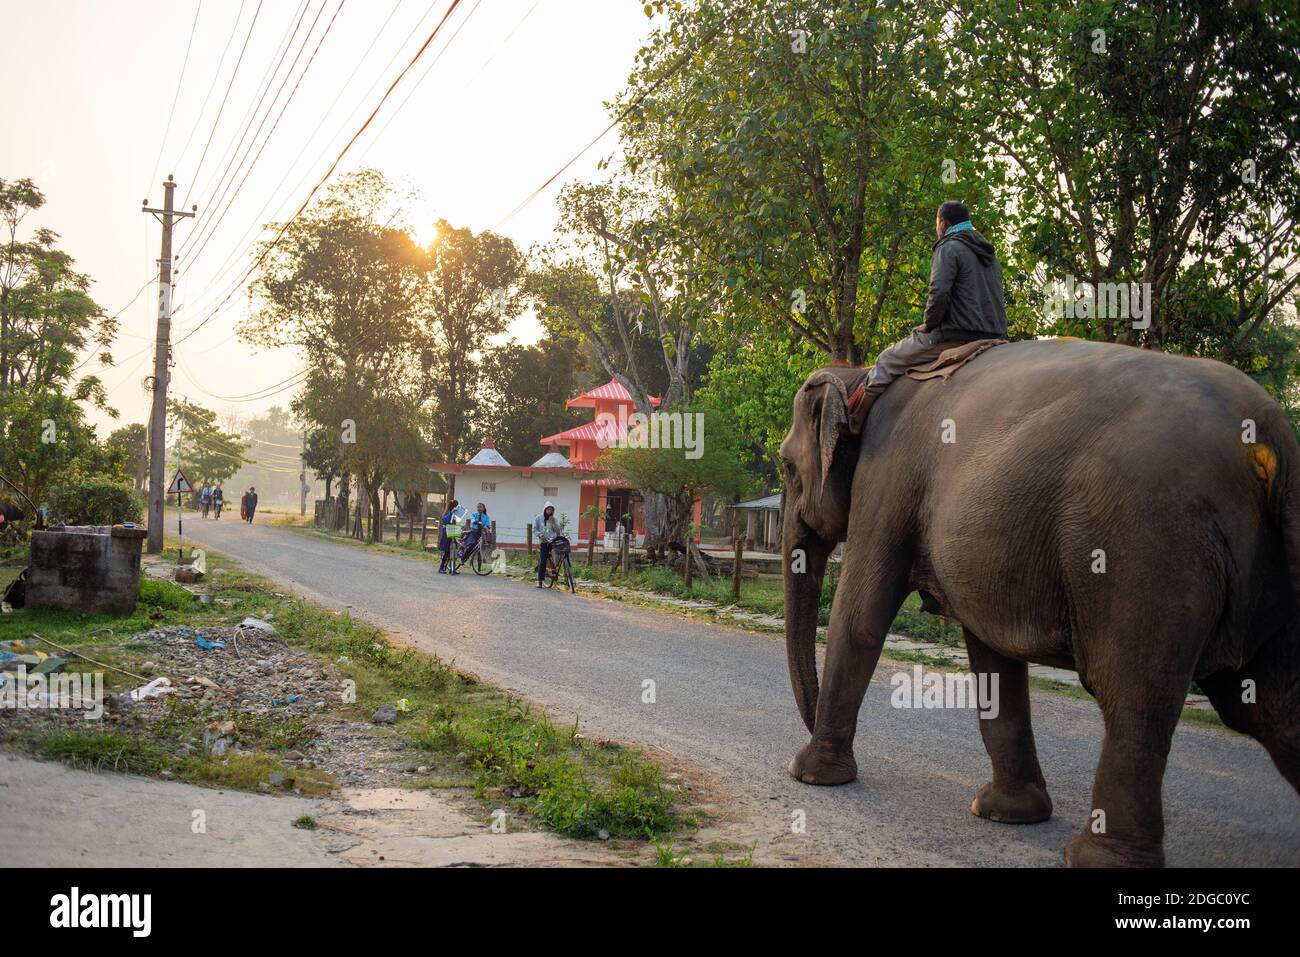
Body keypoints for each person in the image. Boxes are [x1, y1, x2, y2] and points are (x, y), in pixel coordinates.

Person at [848, 201, 1008, 432]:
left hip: (956, 335)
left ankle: (856, 419)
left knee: (887, 360)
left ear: (943, 222)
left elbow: (939, 291)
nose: (937, 227)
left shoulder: (948, 248)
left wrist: (930, 324)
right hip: (995, 335)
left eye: (937, 222)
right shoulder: (989, 255)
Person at [533, 502, 565, 588]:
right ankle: (540, 581)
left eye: (551, 509)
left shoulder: (554, 519)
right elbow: (535, 529)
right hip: (544, 541)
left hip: (553, 541)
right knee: (543, 560)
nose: (549, 511)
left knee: (557, 552)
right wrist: (540, 535)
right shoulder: (538, 518)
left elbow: (558, 530)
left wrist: (553, 522)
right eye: (548, 509)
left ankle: (554, 568)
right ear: (544, 509)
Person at [437, 498, 462, 574]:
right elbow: (445, 520)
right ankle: (442, 568)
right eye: (456, 506)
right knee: (447, 551)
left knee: (453, 551)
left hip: (453, 532)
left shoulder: (455, 513)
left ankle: (452, 568)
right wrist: (451, 512)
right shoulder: (448, 512)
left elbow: (456, 521)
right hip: (447, 533)